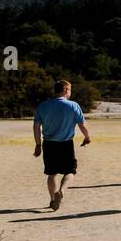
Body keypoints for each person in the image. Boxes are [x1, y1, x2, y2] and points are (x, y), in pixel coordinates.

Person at [33, 80, 91, 211]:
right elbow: (82, 124)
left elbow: (36, 126)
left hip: (49, 144)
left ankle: (53, 200)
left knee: (51, 173)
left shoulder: (43, 106)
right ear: (65, 90)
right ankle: (61, 190)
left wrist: (38, 144)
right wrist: (87, 137)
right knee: (70, 171)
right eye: (70, 89)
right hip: (66, 144)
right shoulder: (73, 106)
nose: (70, 92)